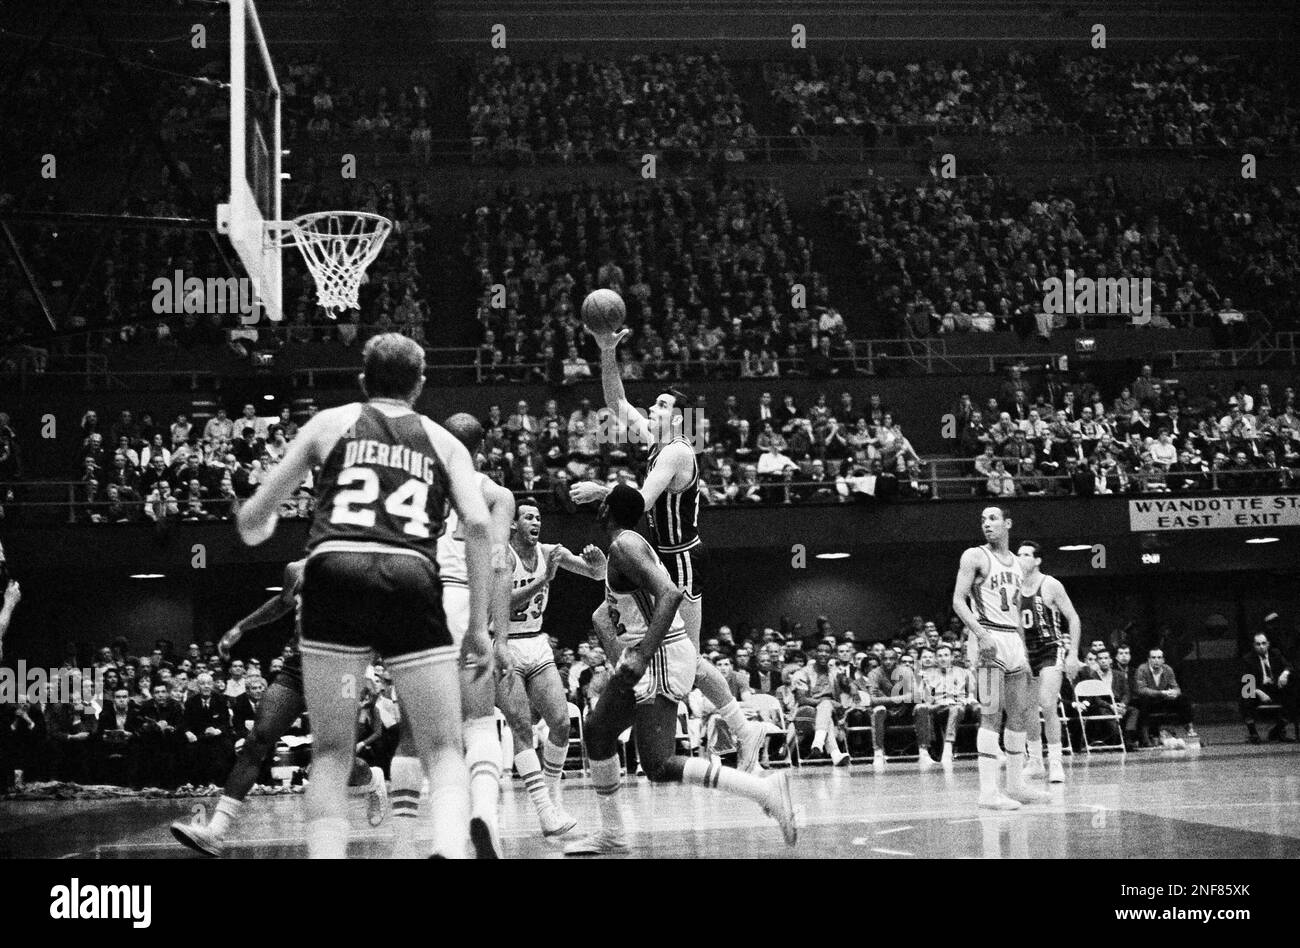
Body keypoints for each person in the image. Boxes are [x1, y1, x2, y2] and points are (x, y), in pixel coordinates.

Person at [236, 333, 495, 860]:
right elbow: (477, 524)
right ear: (420, 385)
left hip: (335, 570)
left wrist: (258, 531)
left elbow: (252, 520)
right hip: (410, 575)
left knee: (331, 753)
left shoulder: (329, 422)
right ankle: (447, 845)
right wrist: (478, 627)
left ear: (362, 380)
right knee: (444, 746)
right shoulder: (444, 442)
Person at [570, 322, 766, 772]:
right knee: (659, 646)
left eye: (660, 404)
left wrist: (603, 490)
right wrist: (605, 350)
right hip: (659, 557)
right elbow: (616, 402)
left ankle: (739, 728)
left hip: (682, 558)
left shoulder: (677, 450)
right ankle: (733, 727)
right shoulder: (655, 441)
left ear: (676, 418)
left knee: (688, 659)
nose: (651, 406)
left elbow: (639, 502)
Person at [563, 486, 796, 856]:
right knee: (597, 731)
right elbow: (618, 611)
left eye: (601, 501)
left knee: (657, 764)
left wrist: (643, 653)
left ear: (606, 508)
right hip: (646, 654)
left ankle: (766, 791)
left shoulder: (625, 545)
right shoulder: (622, 547)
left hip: (659, 655)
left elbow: (671, 593)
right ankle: (612, 833)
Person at [170, 561, 387, 856]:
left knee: (333, 756)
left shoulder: (361, 566)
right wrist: (241, 627)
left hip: (341, 671)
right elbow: (282, 603)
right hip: (297, 669)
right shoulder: (297, 570)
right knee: (257, 739)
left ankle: (371, 780)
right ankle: (215, 832)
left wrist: (369, 667)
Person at [389, 413, 518, 858]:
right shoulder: (497, 495)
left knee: (410, 735)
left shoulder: (414, 483)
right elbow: (499, 565)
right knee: (480, 724)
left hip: (419, 603)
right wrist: (498, 635)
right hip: (466, 601)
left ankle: (403, 847)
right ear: (482, 448)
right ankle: (483, 813)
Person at [493, 500, 606, 842]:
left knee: (561, 721)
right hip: (504, 643)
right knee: (520, 726)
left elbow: (593, 574)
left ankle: (552, 801)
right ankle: (543, 810)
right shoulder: (502, 556)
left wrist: (598, 566)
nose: (536, 521)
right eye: (528, 516)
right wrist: (543, 580)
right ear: (513, 524)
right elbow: (499, 603)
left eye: (539, 516)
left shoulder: (548, 551)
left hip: (536, 642)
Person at [952, 506, 1050, 810]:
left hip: (1012, 640)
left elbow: (1016, 610)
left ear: (1008, 523)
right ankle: (987, 792)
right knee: (991, 714)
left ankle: (1016, 785)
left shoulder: (1019, 566)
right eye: (982, 519)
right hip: (988, 639)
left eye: (993, 518)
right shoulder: (974, 556)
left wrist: (1023, 648)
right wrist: (981, 635)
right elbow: (958, 601)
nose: (987, 524)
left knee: (1020, 712)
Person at [1016, 541, 1082, 783]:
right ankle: (1035, 761)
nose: (1020, 558)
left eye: (1026, 554)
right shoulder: (1013, 588)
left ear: (1037, 560)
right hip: (1026, 653)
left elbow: (1073, 618)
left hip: (1051, 649)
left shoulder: (1051, 584)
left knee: (1047, 702)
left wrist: (1073, 653)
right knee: (1027, 708)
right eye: (1018, 554)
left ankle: (1055, 762)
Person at [1132, 649, 1197, 749]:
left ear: (1163, 660)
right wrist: (1161, 693)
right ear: (1149, 659)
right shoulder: (1142, 669)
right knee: (1144, 701)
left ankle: (1189, 728)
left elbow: (1176, 687)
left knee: (1183, 699)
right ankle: (1145, 739)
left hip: (1163, 700)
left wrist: (1174, 693)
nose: (1156, 660)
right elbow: (1141, 690)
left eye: (1159, 657)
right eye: (1153, 658)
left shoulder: (1168, 669)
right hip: (1148, 700)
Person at [1240, 632, 1295, 743]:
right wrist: (1258, 692)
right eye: (1258, 644)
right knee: (1245, 697)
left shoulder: (1276, 654)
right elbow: (1245, 682)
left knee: (1293, 696)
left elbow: (1289, 666)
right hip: (1258, 690)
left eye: (1263, 643)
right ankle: (1253, 734)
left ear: (1268, 644)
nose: (1261, 646)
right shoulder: (1248, 659)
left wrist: (1285, 673)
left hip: (1275, 689)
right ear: (1254, 646)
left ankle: (1277, 730)